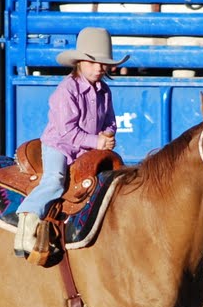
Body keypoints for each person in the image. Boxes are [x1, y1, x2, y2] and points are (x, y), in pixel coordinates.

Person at [13, 26, 125, 256]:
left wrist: (107, 133)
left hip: (87, 149)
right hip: (60, 147)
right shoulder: (67, 90)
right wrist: (96, 141)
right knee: (55, 180)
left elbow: (110, 120)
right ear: (79, 62)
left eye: (103, 63)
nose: (99, 68)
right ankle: (26, 223)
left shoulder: (104, 91)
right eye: (93, 62)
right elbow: (66, 132)